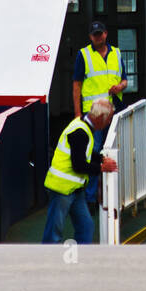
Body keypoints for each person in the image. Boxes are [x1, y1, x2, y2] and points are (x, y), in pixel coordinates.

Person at [42, 98, 118, 244]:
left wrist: (101, 158)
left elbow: (84, 153)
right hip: (62, 189)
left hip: (74, 189)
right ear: (100, 118)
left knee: (86, 226)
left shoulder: (82, 125)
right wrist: (102, 167)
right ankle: (47, 262)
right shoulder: (80, 132)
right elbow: (79, 165)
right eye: (108, 119)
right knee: (54, 233)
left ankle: (81, 257)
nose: (108, 123)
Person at [72, 20, 128, 203]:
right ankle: (90, 198)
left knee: (112, 151)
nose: (98, 37)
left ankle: (112, 195)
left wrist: (119, 86)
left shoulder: (117, 54)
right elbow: (76, 85)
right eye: (95, 35)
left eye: (100, 33)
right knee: (94, 152)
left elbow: (125, 80)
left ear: (106, 34)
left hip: (113, 111)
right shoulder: (84, 55)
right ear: (90, 37)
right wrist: (78, 114)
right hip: (93, 115)